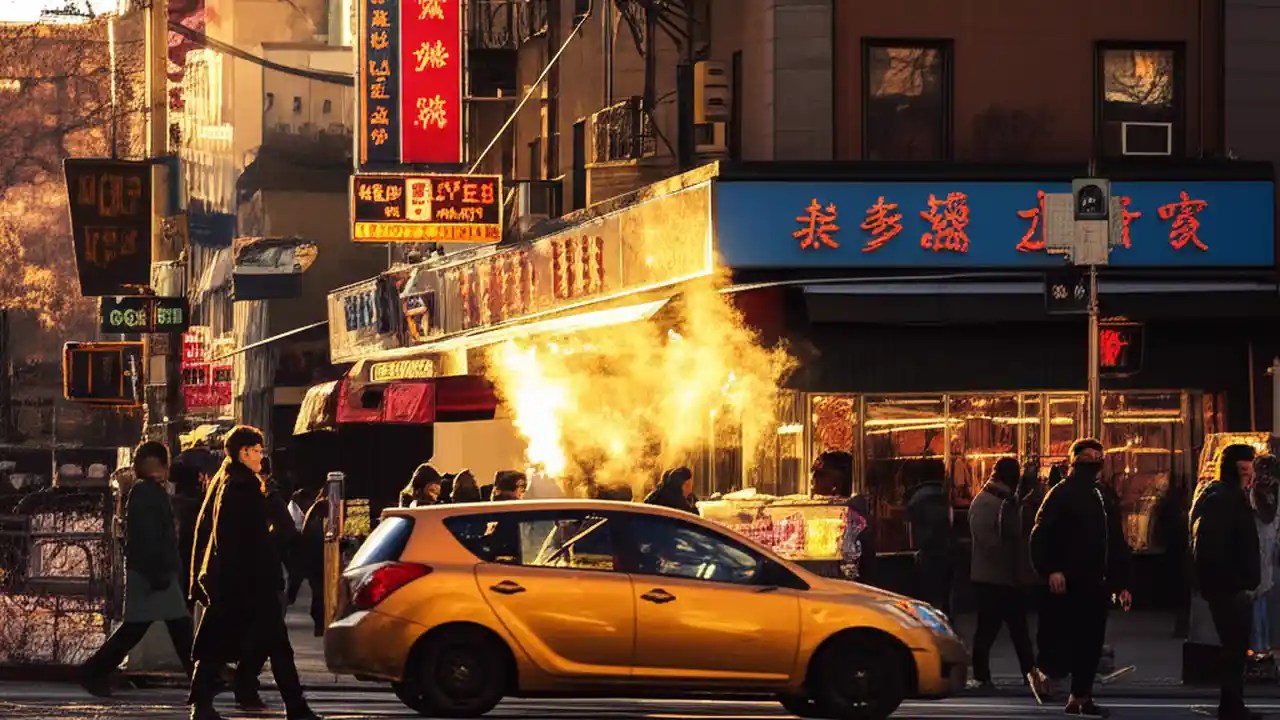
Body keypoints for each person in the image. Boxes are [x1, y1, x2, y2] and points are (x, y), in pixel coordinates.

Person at [188, 426, 323, 720]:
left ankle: (203, 703)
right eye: (258, 450)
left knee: (220, 644)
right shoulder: (244, 487)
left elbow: (207, 530)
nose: (262, 456)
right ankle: (294, 706)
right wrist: (270, 493)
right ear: (244, 452)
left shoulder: (227, 482)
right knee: (270, 644)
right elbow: (263, 534)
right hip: (249, 580)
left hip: (233, 579)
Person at [80, 441, 193, 697]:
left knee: (162, 627)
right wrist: (160, 572)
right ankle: (201, 680)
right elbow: (149, 537)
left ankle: (201, 679)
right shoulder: (147, 492)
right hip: (153, 573)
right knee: (169, 628)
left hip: (152, 571)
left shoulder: (146, 491)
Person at [1030, 439, 1130, 718]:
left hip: (1096, 580)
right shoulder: (1061, 494)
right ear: (1074, 461)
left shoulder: (1103, 495)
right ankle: (1051, 676)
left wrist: (1122, 581)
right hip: (1069, 581)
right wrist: (1050, 569)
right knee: (1065, 640)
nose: (1094, 461)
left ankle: (1080, 696)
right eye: (1087, 456)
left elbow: (1116, 540)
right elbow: (1040, 535)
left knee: (1090, 641)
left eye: (1097, 456)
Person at [1192, 443, 1264, 720]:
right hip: (1228, 586)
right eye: (1246, 467)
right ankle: (1232, 705)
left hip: (1227, 584)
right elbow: (1213, 546)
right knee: (1234, 646)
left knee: (1234, 646)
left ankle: (1232, 704)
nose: (1250, 473)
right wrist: (1234, 581)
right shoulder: (1225, 498)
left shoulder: (1223, 495)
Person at [967, 457, 1037, 693]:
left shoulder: (997, 500)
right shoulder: (990, 503)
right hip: (994, 577)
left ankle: (991, 675)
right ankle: (989, 675)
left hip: (995, 577)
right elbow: (997, 540)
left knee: (1002, 630)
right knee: (1001, 630)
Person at [906, 458, 953, 616]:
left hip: (925, 552)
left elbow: (911, 529)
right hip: (944, 550)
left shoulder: (916, 498)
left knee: (926, 598)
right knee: (942, 596)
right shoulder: (943, 495)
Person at [1251, 456, 1280, 660]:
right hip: (1271, 544)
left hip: (1260, 545)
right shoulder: (1275, 489)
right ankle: (1265, 643)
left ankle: (1259, 643)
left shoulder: (1254, 490)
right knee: (1266, 595)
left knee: (1258, 595)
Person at [299, 492, 329, 636]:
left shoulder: (315, 509)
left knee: (318, 592)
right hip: (318, 558)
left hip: (313, 559)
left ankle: (319, 623)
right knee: (320, 592)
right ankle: (320, 622)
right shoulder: (323, 508)